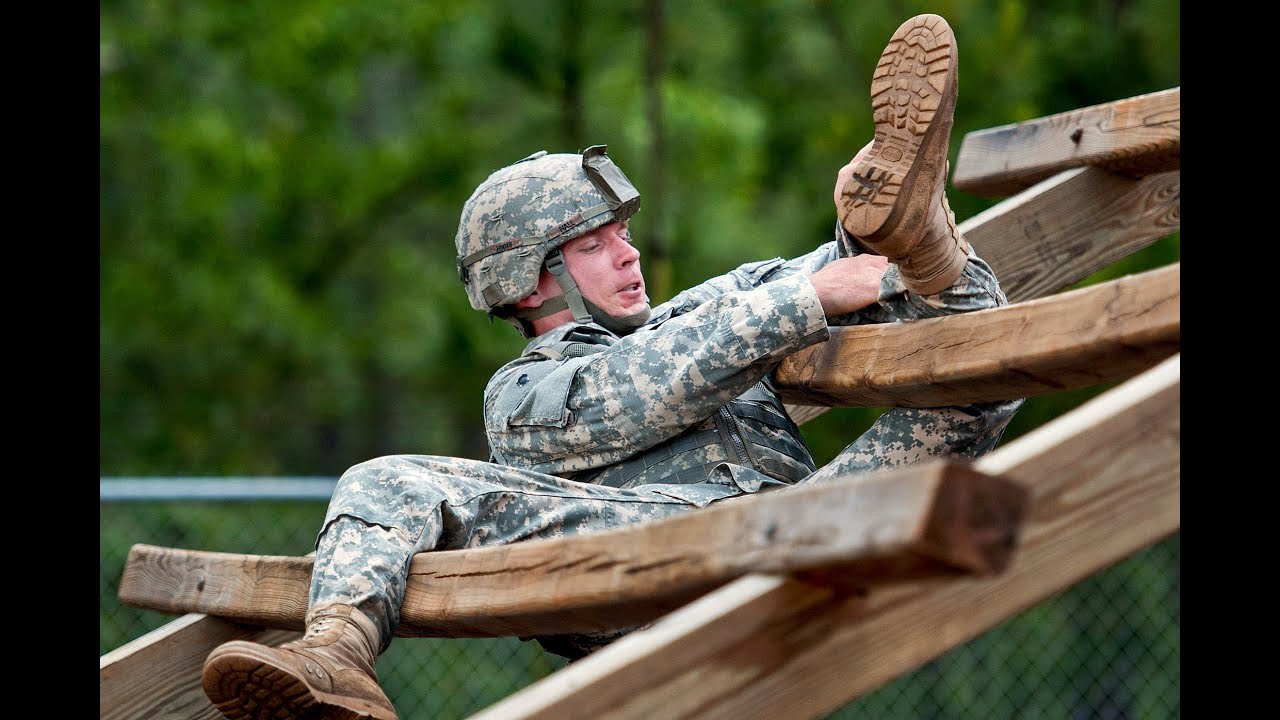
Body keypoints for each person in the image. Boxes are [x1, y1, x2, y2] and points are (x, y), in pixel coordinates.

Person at [199, 13, 1022, 720]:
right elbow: (639, 393)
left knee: (980, 367)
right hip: (656, 563)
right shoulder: (522, 394)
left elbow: (818, 281)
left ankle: (926, 228)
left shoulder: (702, 311)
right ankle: (336, 656)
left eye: (624, 235)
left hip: (811, 528)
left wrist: (867, 227)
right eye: (595, 244)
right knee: (383, 480)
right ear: (530, 281)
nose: (628, 257)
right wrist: (804, 300)